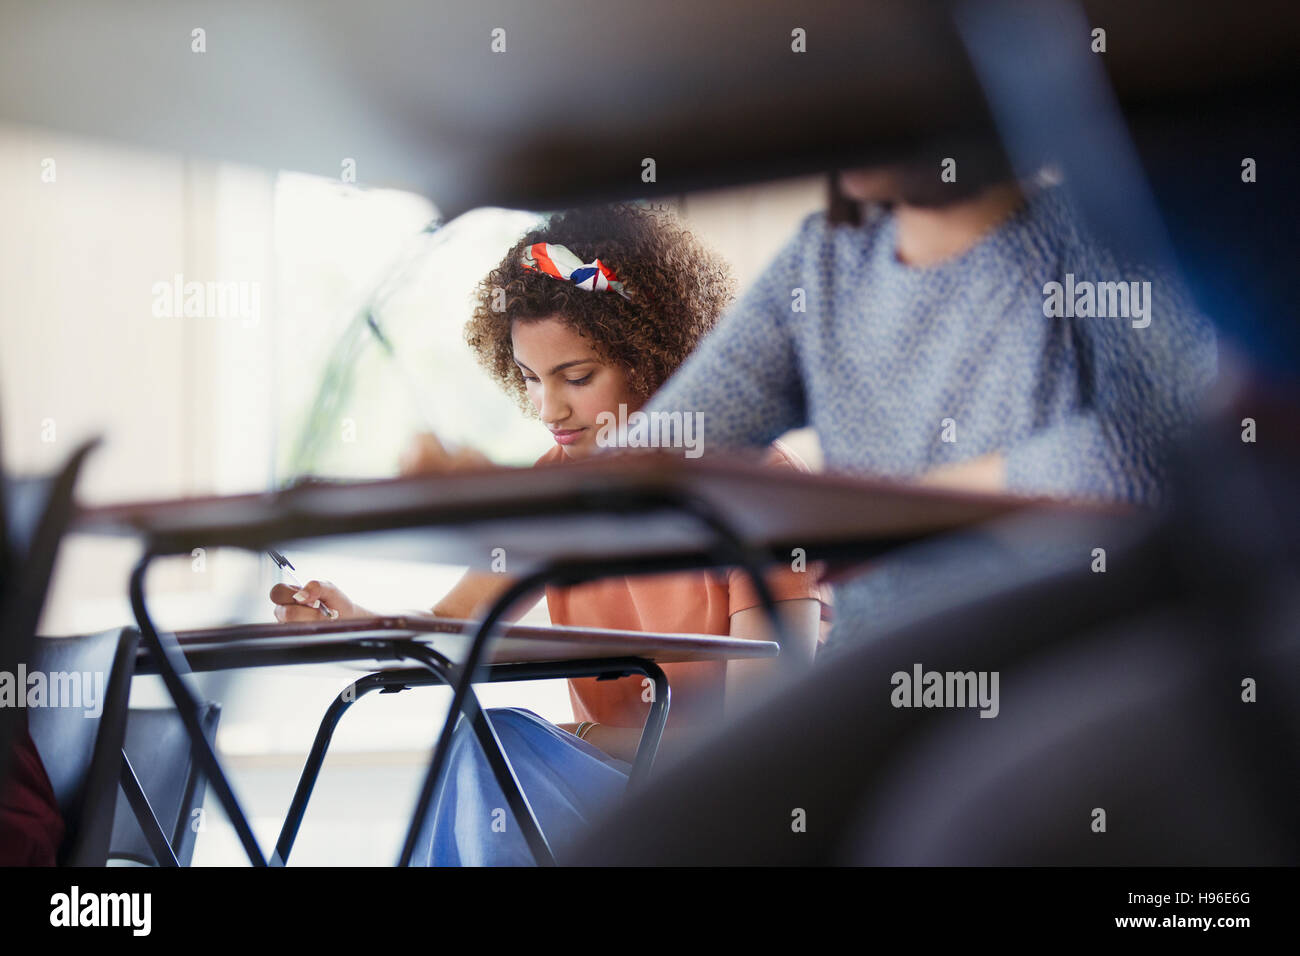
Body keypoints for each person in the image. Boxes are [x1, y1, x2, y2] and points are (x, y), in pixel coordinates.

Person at [270, 204, 828, 864]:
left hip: (720, 811)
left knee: (496, 748)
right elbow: (454, 624)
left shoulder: (759, 493)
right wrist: (356, 620)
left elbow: (758, 748)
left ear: (657, 356)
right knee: (488, 750)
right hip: (610, 795)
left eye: (578, 378)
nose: (549, 411)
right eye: (531, 379)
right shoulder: (559, 485)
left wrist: (580, 734)